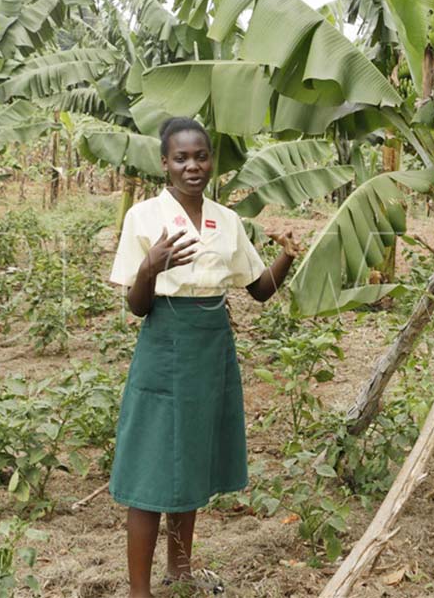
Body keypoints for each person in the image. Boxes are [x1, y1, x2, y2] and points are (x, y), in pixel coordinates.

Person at [108, 117, 302, 598]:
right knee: (152, 465)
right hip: (165, 340)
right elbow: (137, 307)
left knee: (190, 459)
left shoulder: (225, 220)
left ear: (211, 160)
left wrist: (289, 257)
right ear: (165, 163)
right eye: (181, 158)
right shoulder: (144, 218)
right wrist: (150, 267)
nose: (192, 166)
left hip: (212, 342)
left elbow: (258, 290)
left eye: (200, 156)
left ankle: (180, 571)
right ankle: (139, 590)